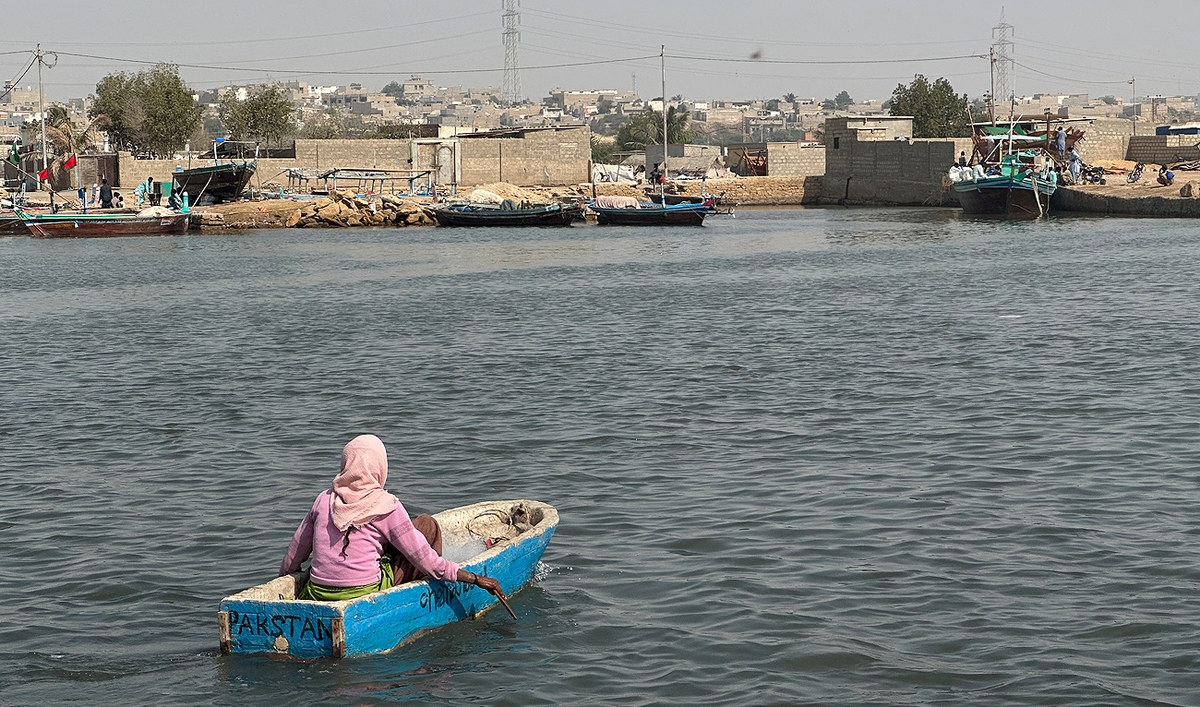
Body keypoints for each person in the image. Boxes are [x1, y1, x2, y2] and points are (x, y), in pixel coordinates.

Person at [279, 434, 505, 602]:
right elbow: (426, 560)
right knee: (427, 526)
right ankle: (427, 595)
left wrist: (287, 581)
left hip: (317, 592)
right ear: (379, 466)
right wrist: (475, 579)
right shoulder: (386, 506)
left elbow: (294, 553)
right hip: (365, 591)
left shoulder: (323, 499)